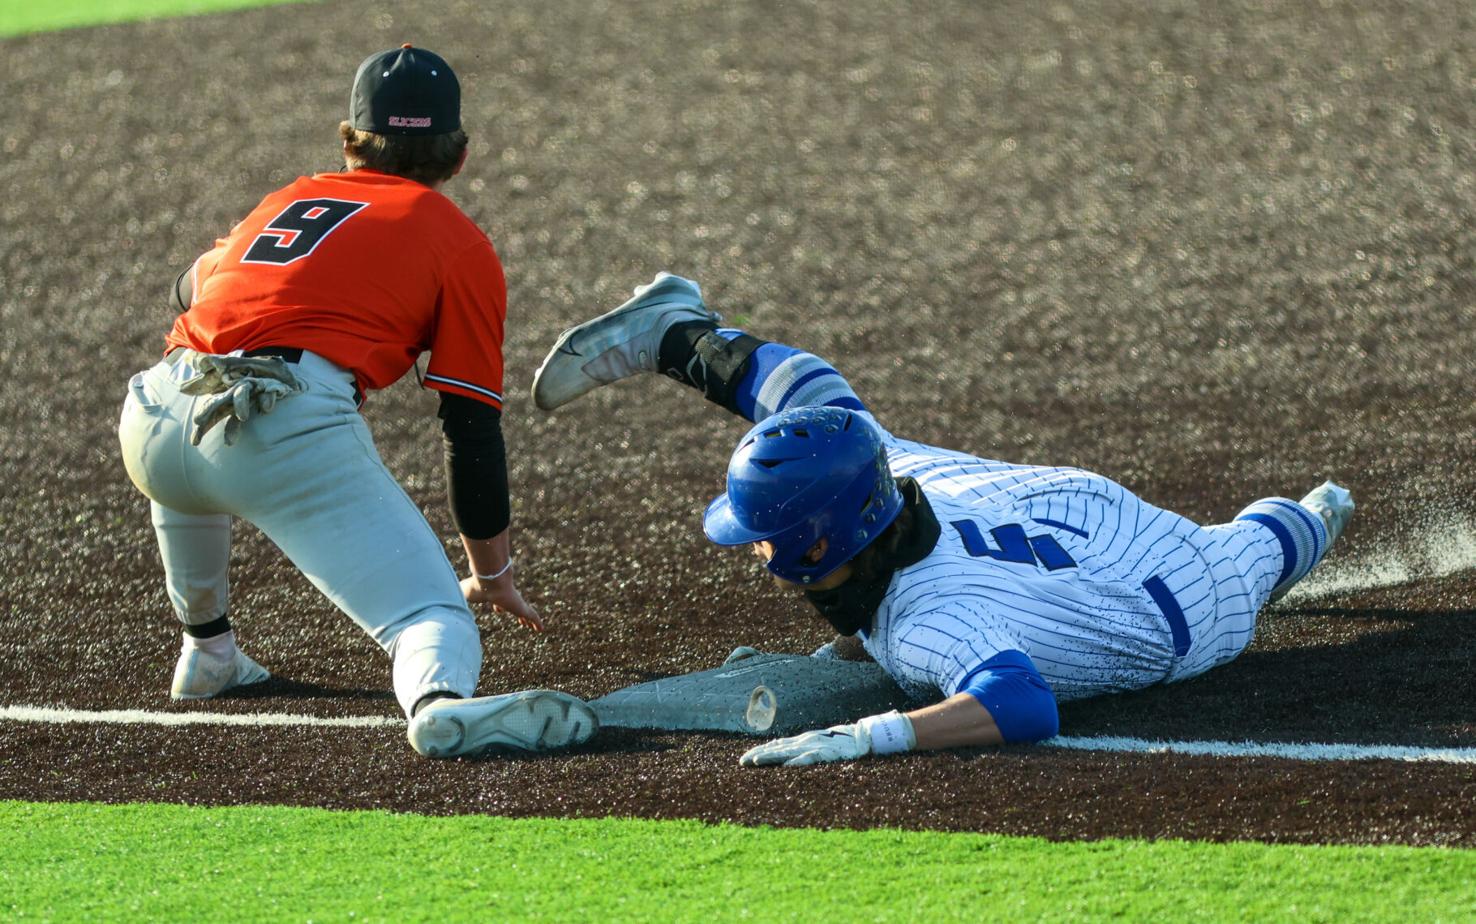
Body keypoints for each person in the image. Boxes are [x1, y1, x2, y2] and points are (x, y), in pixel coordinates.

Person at [530, 272, 1355, 766]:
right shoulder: (894, 480)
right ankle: (676, 330)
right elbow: (825, 425)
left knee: (1266, 547)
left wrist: (871, 736)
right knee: (831, 415)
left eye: (775, 541)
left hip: (1180, 595)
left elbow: (1024, 706)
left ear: (831, 538)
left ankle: (1319, 508)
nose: (763, 556)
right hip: (1043, 503)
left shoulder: (931, 623)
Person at [117, 45, 595, 758]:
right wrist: (491, 575)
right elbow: (469, 426)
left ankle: (208, 650)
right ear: (458, 157)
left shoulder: (288, 198)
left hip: (153, 411)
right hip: (277, 424)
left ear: (350, 142)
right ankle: (437, 703)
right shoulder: (456, 241)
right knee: (431, 616)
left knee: (192, 452)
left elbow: (191, 288)